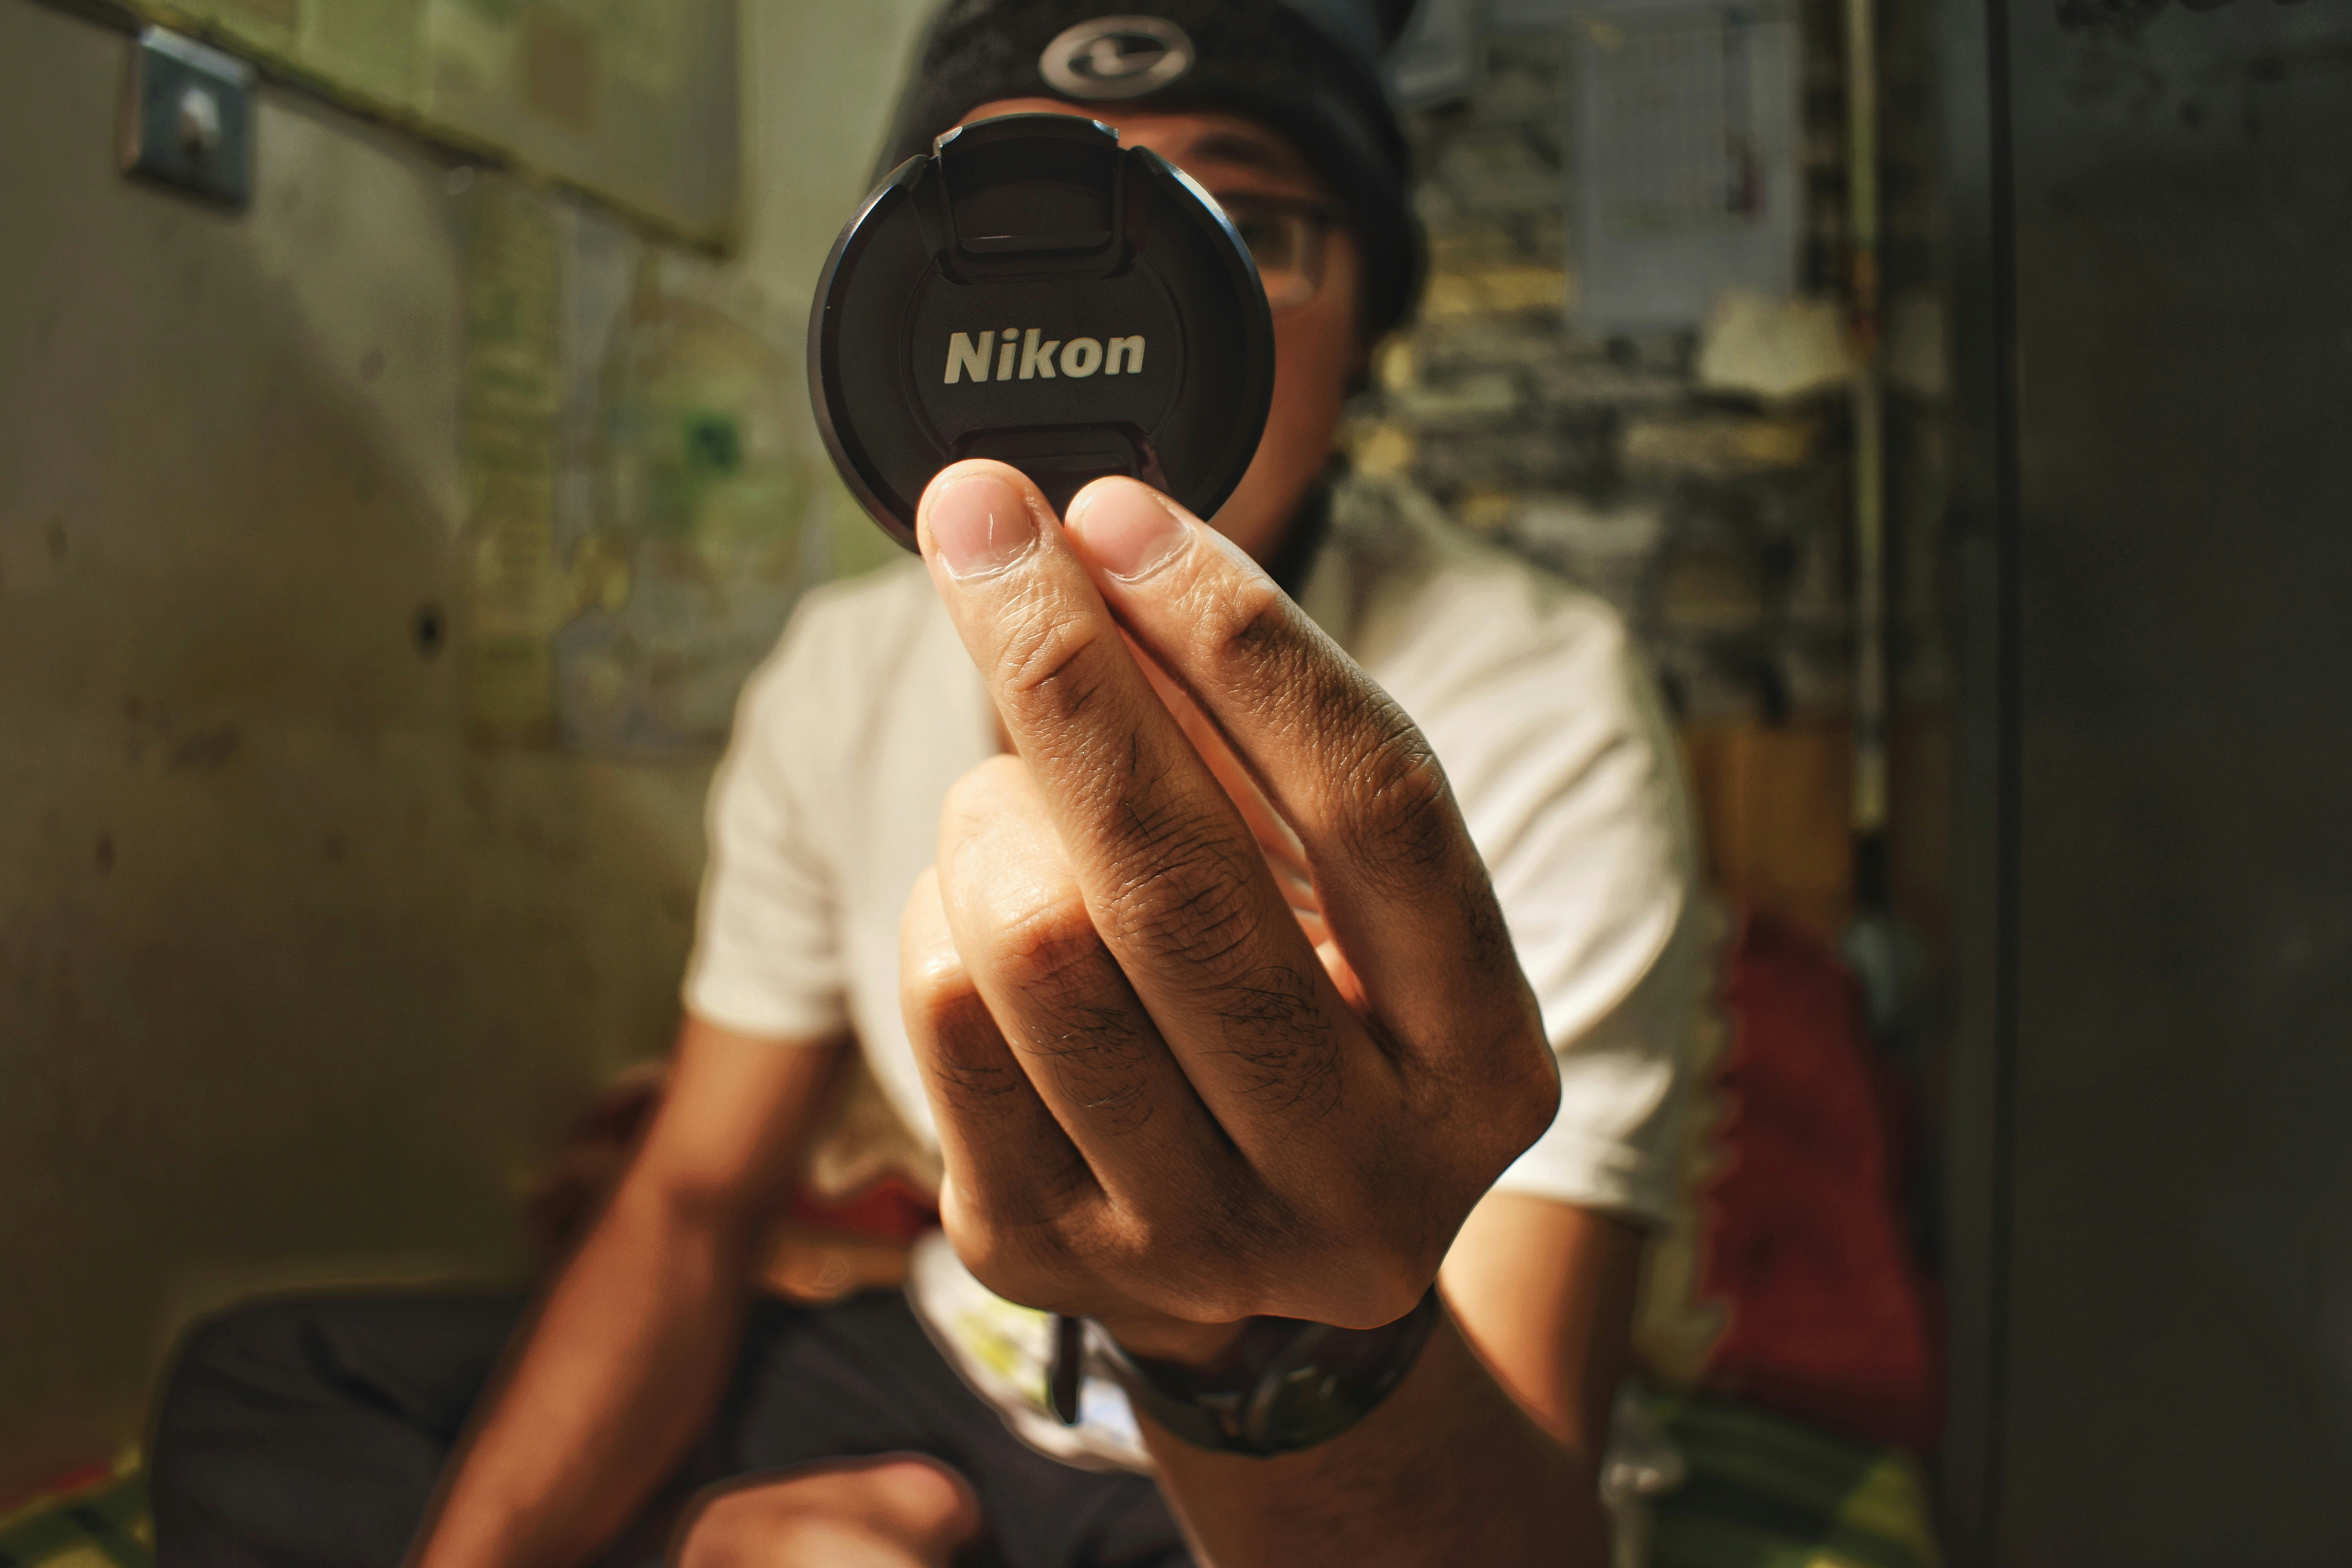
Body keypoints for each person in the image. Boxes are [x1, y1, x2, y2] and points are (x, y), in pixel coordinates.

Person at [149, 3, 1706, 1565]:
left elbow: (1516, 1519)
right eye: (1040, 213)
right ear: (916, 302)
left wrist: (1249, 1345)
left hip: (1317, 1462)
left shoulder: (1533, 703)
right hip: (952, 1378)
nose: (1126, 285)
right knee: (262, 1391)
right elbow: (694, 1200)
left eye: (1244, 218)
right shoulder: (840, 670)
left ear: (1372, 320)